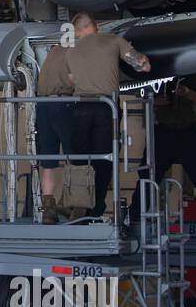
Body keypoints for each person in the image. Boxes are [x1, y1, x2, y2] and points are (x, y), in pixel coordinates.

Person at [64, 12, 151, 218]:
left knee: (79, 160)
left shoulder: (71, 52)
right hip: (106, 108)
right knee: (105, 158)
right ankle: (97, 205)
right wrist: (144, 63)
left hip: (80, 107)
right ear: (97, 25)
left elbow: (71, 81)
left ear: (77, 31)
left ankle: (80, 204)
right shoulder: (114, 41)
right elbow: (142, 65)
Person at [128, 76, 196, 225]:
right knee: (148, 177)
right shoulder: (158, 72)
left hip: (190, 130)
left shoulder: (195, 74)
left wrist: (188, 93)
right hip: (162, 131)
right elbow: (141, 94)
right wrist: (154, 100)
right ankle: (133, 218)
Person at [35, 43, 74, 224]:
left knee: (48, 162)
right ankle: (70, 202)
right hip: (64, 103)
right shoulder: (77, 51)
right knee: (75, 158)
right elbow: (75, 79)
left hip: (43, 105)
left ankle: (48, 211)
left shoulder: (52, 53)